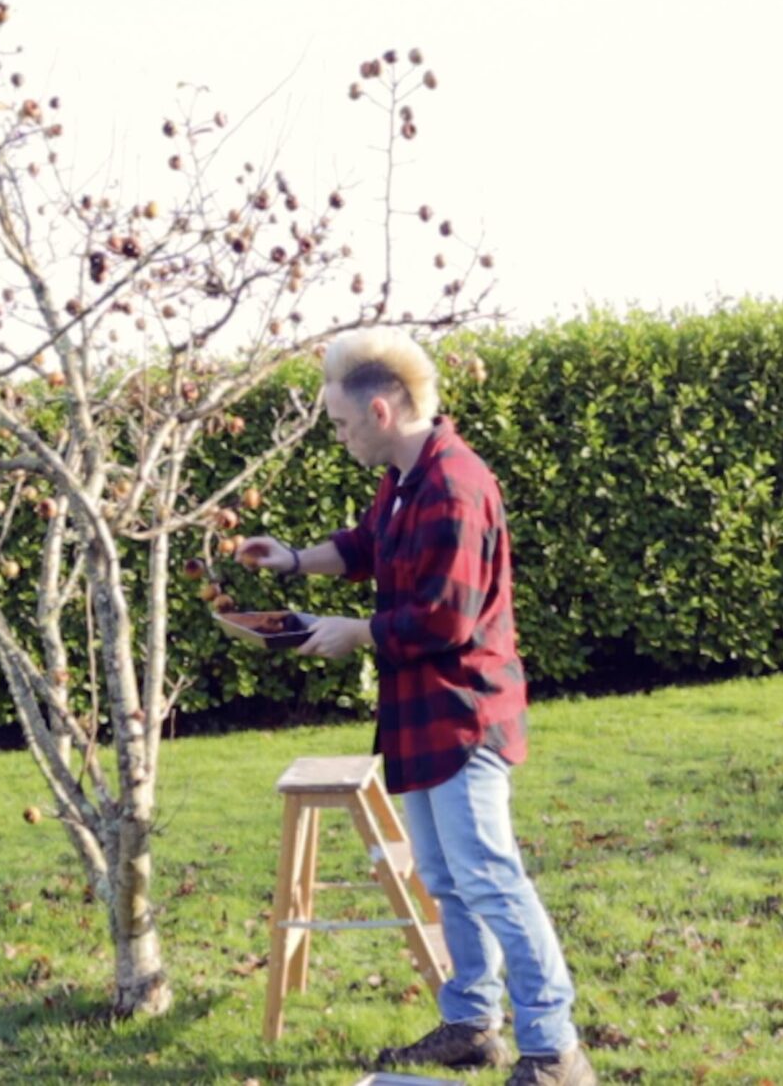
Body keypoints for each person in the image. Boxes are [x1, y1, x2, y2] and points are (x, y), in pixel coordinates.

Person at [237, 330, 595, 1086]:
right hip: (420, 714)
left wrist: (352, 633)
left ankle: (554, 1046)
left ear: (379, 407)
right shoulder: (405, 479)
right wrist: (294, 558)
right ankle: (471, 1023)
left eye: (339, 423)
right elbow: (369, 545)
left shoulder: (455, 486)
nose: (338, 438)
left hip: (464, 714)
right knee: (445, 873)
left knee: (490, 875)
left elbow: (444, 620)